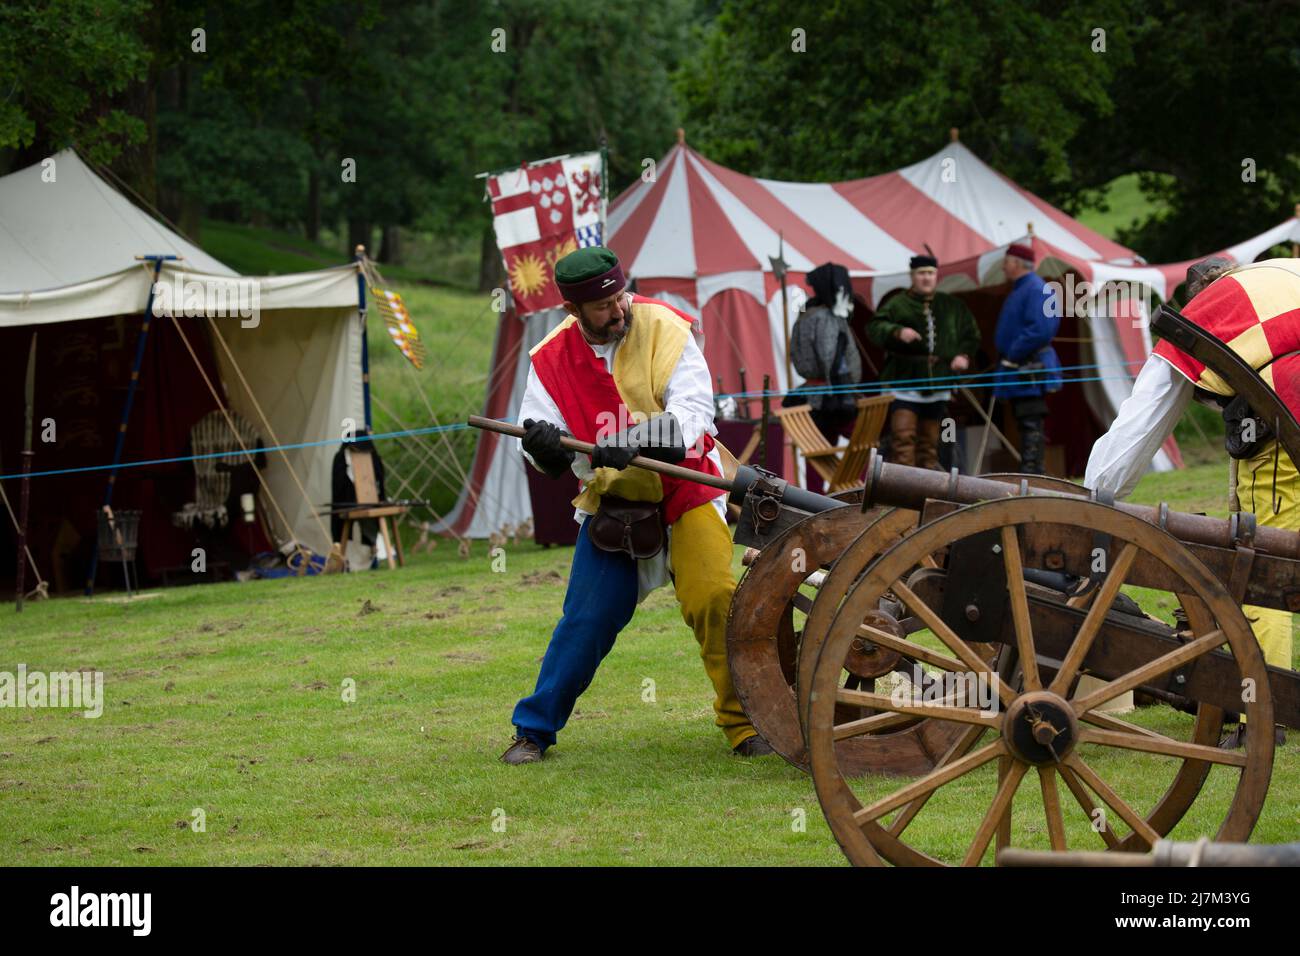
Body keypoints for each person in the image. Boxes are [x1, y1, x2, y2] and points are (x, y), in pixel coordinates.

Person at [501, 246, 771, 764]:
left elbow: (694, 414)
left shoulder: (666, 326)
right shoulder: (549, 360)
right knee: (585, 621)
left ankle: (747, 725)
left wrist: (639, 438)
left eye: (620, 295)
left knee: (715, 598)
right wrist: (543, 449)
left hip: (686, 489)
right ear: (573, 312)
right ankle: (533, 731)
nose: (618, 310)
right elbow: (539, 443)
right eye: (602, 307)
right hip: (615, 503)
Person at [1085, 256, 1295, 748]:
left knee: (1266, 569)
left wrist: (1095, 496)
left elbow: (1143, 420)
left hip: (1283, 442)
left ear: (1197, 294)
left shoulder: (1207, 315)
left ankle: (1262, 719)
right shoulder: (1286, 272)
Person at [867, 252, 979, 470]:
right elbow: (874, 327)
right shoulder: (897, 304)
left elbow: (971, 334)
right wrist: (897, 331)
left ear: (936, 276)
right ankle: (903, 496)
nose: (926, 278)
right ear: (912, 276)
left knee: (930, 444)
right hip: (904, 383)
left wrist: (962, 355)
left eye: (930, 273)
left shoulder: (951, 305)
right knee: (903, 440)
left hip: (938, 383)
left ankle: (925, 495)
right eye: (921, 274)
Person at [993, 243, 1061, 474]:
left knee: (1031, 421)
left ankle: (1033, 473)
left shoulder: (1036, 289)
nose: (1003, 266)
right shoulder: (1022, 288)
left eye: (1006, 261)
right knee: (1024, 420)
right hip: (1019, 366)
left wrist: (1013, 353)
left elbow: (1040, 330)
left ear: (1017, 263)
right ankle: (1029, 471)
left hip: (1029, 366)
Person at [788, 262, 863, 442]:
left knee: (822, 451)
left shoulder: (810, 313)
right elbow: (830, 358)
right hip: (828, 399)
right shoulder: (824, 317)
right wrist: (842, 394)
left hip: (819, 396)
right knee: (853, 447)